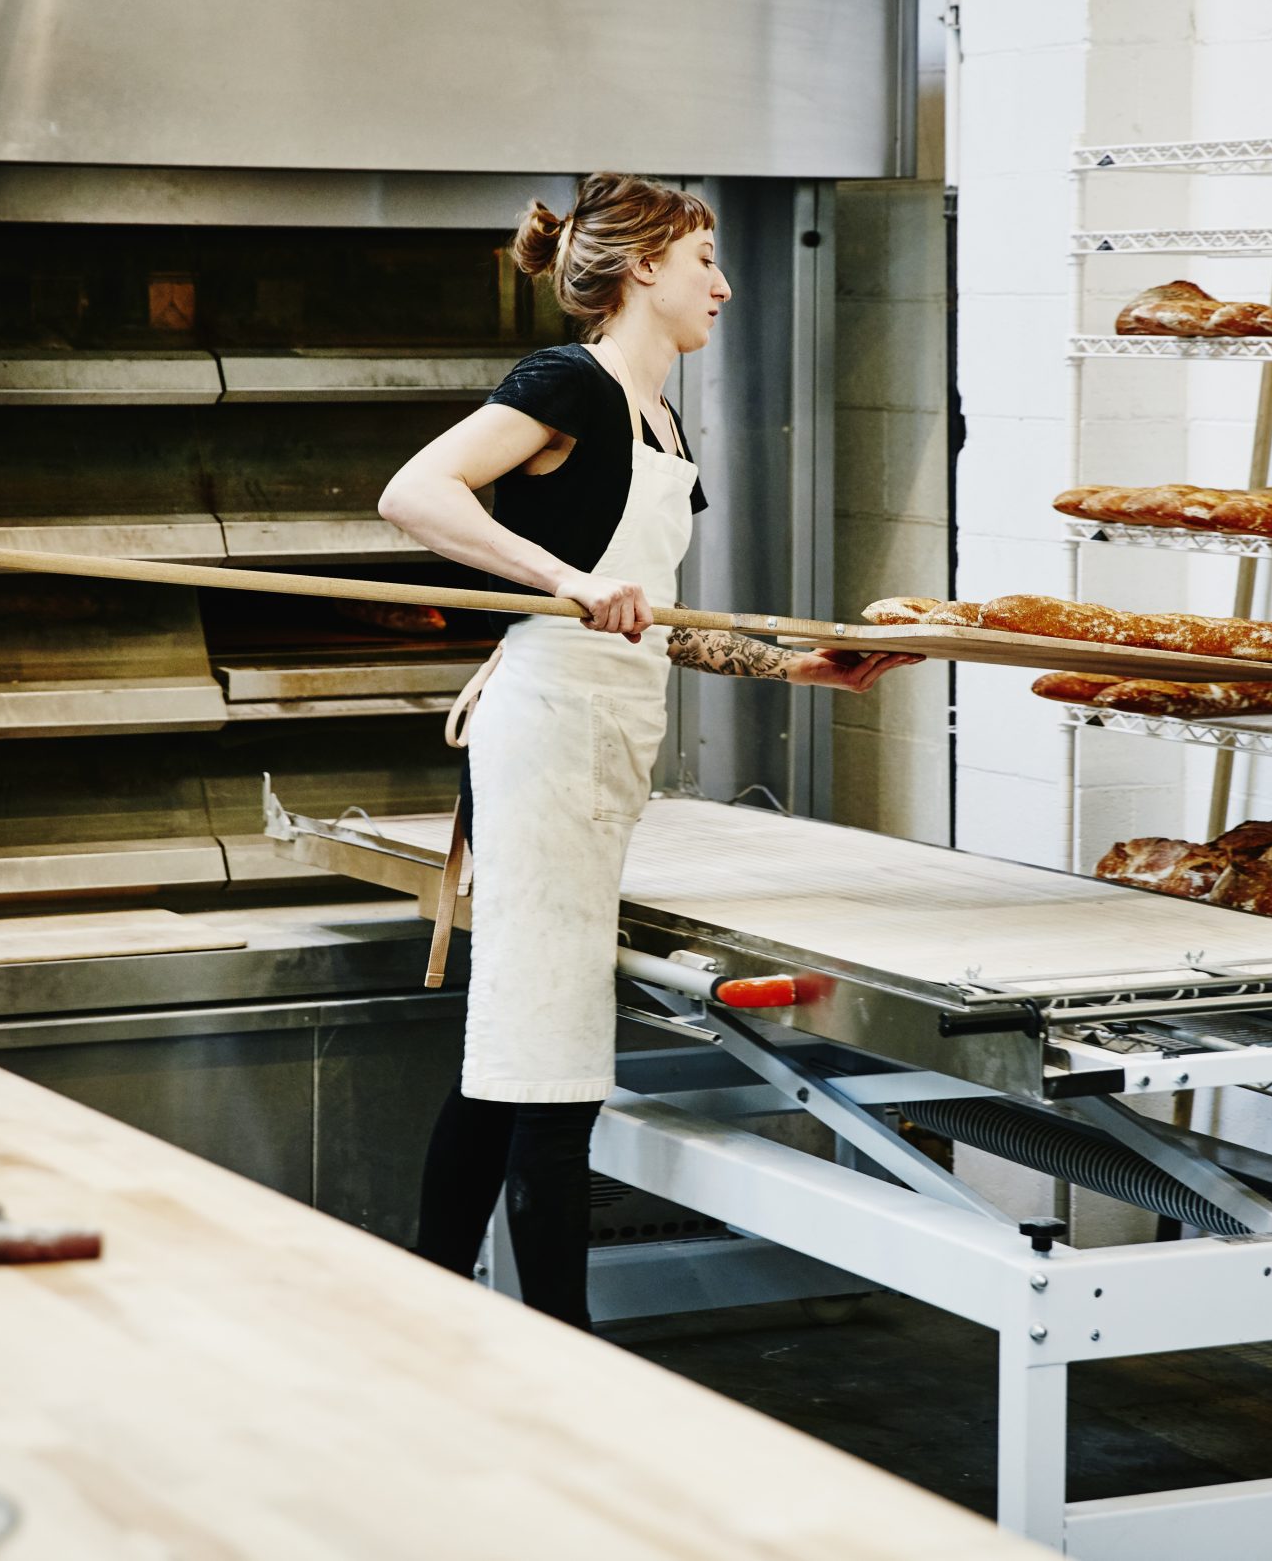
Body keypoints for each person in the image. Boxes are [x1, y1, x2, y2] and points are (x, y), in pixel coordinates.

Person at [375, 172, 919, 1328]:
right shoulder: (567, 382)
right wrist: (569, 584)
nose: (721, 286)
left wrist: (801, 668)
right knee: (555, 1050)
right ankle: (565, 1347)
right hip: (544, 731)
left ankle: (423, 1316)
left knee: (517, 1037)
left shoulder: (662, 421)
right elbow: (413, 493)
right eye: (704, 261)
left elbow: (659, 622)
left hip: (606, 733)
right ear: (642, 270)